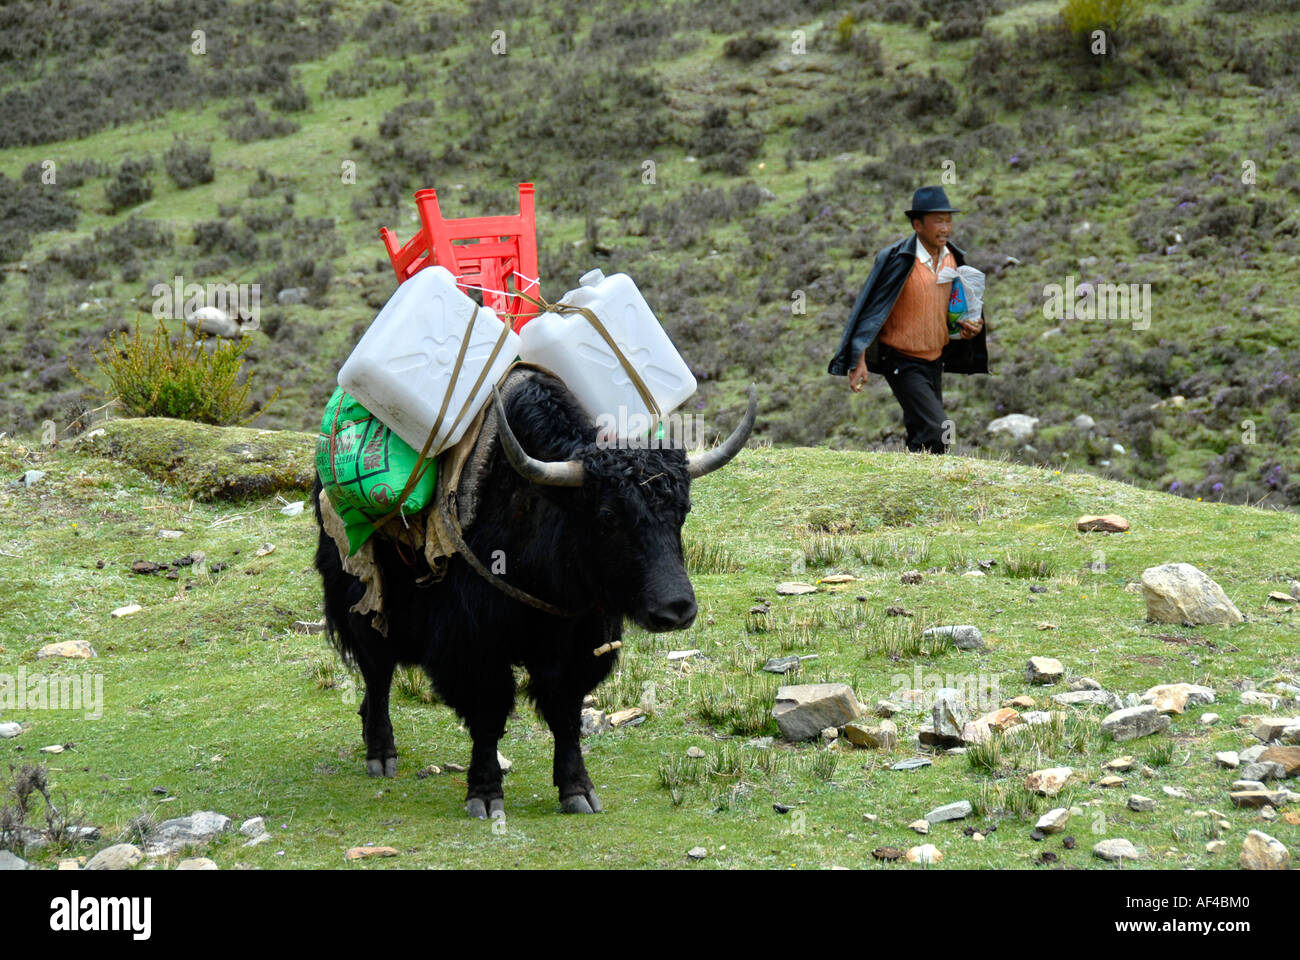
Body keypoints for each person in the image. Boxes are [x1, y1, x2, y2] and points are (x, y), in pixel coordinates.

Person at [827, 186, 989, 453]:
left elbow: (955, 310)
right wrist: (858, 360)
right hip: (901, 360)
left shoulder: (953, 259)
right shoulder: (896, 260)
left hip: (935, 359)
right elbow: (868, 312)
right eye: (938, 221)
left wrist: (969, 329)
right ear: (917, 224)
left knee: (924, 438)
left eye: (948, 220)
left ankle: (922, 490)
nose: (945, 228)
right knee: (939, 431)